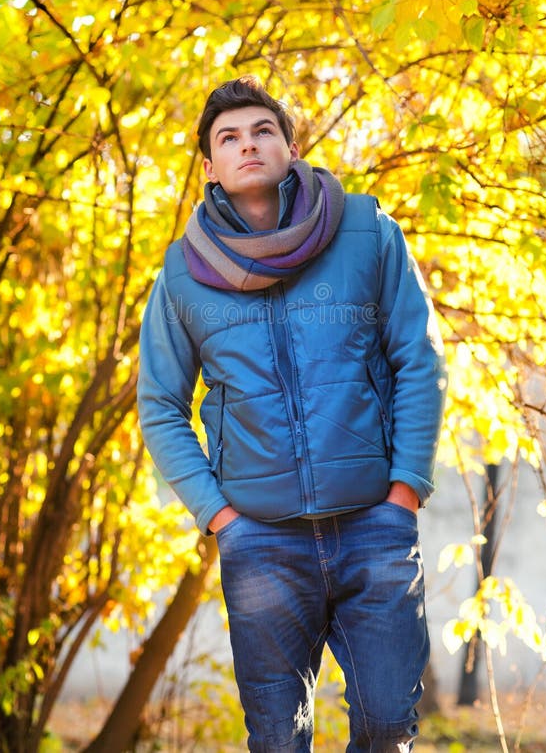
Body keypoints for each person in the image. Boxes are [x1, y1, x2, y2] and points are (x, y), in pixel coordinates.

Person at [137, 76, 447, 752]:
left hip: (373, 524)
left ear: (290, 145)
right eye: (228, 138)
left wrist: (403, 493)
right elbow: (160, 405)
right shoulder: (182, 274)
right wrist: (221, 518)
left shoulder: (366, 232)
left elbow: (416, 362)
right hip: (261, 540)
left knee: (387, 724)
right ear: (210, 166)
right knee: (276, 738)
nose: (247, 145)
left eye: (261, 131)